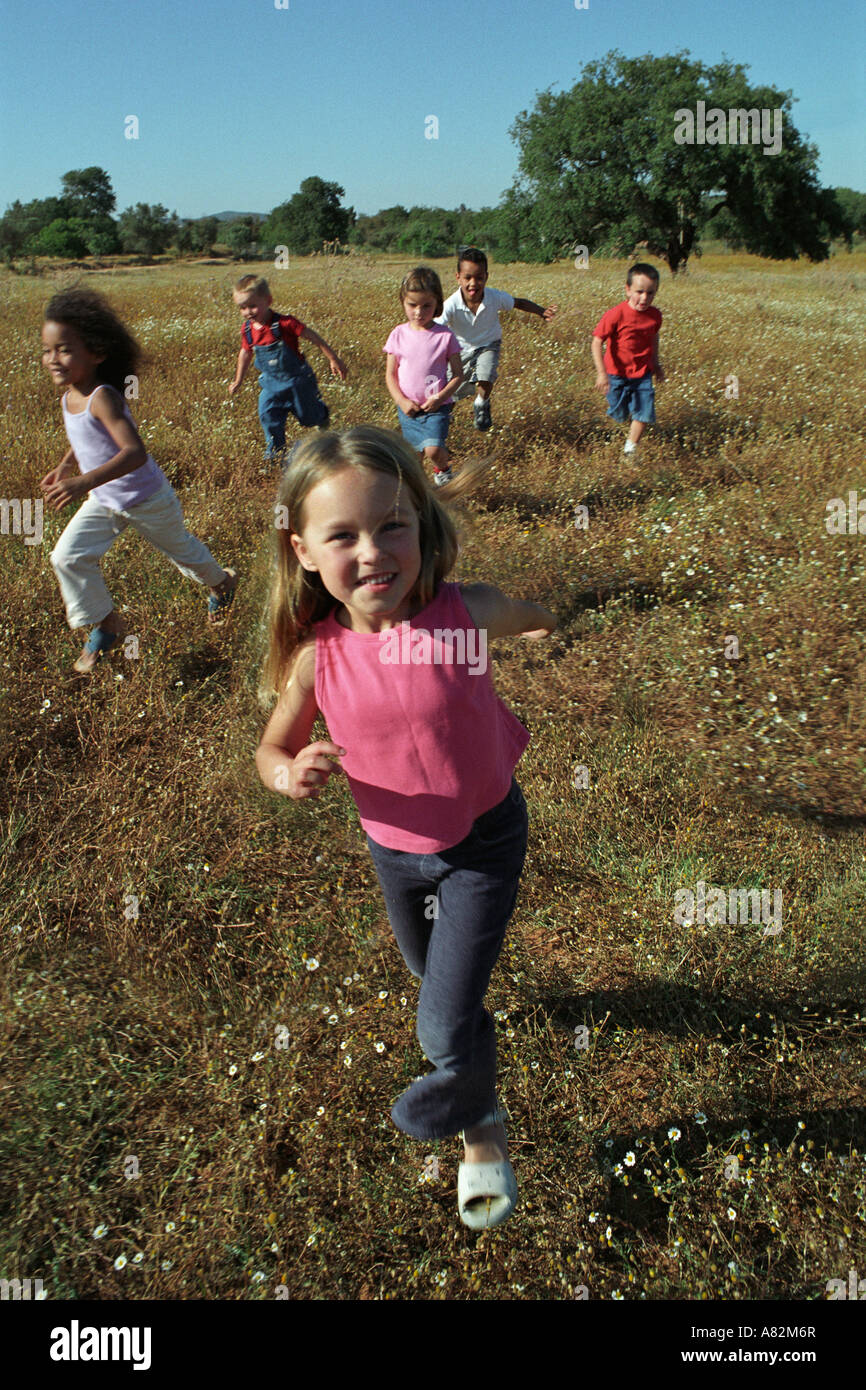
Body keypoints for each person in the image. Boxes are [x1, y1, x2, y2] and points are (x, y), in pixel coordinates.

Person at [255, 426, 557, 1228]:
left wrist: (546, 625)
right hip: (396, 856)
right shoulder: (317, 658)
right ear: (304, 552)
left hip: (484, 844)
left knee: (440, 1020)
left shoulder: (465, 615)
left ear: (422, 524)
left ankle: (478, 1132)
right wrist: (287, 773)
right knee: (439, 988)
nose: (373, 551)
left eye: (392, 524)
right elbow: (272, 746)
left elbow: (527, 614)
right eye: (343, 535)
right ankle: (465, 1039)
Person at [40, 289, 237, 675]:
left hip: (146, 499)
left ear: (96, 353)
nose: (53, 359)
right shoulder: (70, 396)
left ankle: (222, 584)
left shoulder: (103, 397)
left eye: (64, 349)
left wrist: (81, 483)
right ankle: (108, 624)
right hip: (105, 500)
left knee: (183, 553)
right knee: (66, 556)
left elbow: (134, 452)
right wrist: (67, 466)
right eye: (47, 350)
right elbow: (85, 439)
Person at [436, 246, 557, 431]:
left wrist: (541, 311)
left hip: (488, 345)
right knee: (452, 393)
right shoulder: (451, 305)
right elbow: (435, 329)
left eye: (479, 277)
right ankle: (443, 422)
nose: (473, 283)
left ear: (486, 276)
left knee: (486, 375)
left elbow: (519, 302)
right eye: (467, 278)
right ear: (458, 277)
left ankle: (481, 403)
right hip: (460, 351)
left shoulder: (494, 297)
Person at [229, 274, 347, 463]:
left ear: (268, 300)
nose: (248, 312)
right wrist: (238, 380)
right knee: (268, 415)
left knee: (307, 419)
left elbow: (313, 337)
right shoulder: (247, 331)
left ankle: (321, 414)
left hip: (297, 382)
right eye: (242, 308)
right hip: (270, 384)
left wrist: (333, 358)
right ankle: (275, 454)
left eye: (252, 306)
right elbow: (245, 353)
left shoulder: (285, 324)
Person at [383, 267, 464, 487]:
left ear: (437, 303)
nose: (419, 312)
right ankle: (420, 495)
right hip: (408, 408)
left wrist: (440, 398)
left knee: (433, 449)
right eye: (412, 305)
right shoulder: (398, 334)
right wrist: (401, 401)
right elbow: (390, 375)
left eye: (426, 306)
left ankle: (443, 471)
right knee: (414, 458)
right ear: (403, 302)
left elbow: (459, 375)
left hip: (437, 406)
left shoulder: (445, 336)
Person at [591, 263, 664, 455]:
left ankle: (630, 451)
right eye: (639, 291)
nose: (644, 298)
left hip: (642, 374)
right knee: (620, 414)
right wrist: (601, 374)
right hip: (615, 374)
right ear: (627, 289)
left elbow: (654, 336)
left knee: (643, 412)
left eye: (651, 293)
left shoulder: (655, 315)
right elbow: (597, 342)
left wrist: (655, 363)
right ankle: (622, 415)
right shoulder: (615, 314)